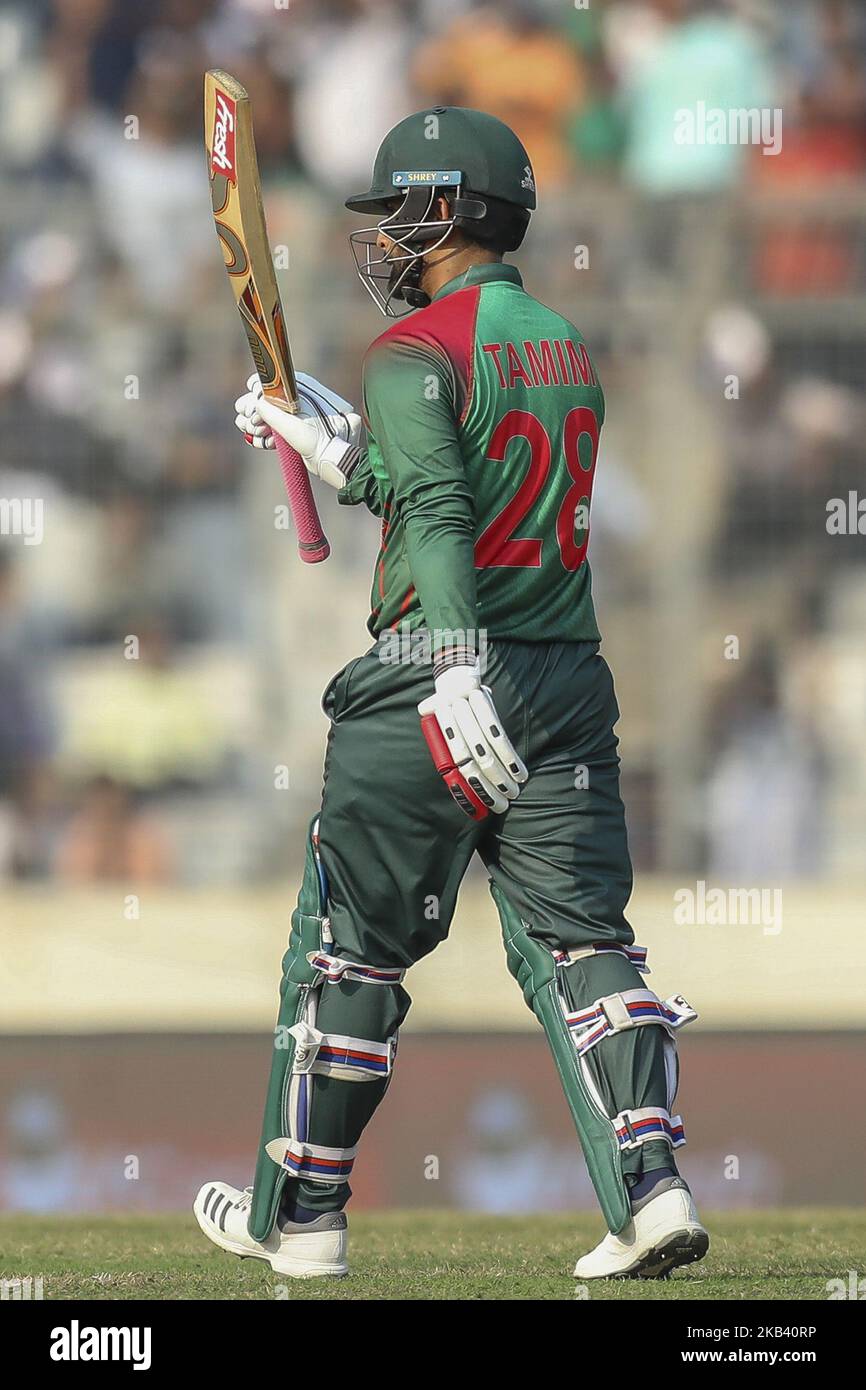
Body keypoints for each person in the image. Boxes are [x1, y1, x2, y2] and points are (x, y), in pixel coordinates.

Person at [194, 105, 707, 1282]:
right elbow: (438, 473)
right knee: (582, 946)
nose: (381, 238)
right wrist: (333, 441)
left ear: (445, 210)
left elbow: (435, 511)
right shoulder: (564, 344)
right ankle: (651, 1191)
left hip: (433, 673)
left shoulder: (414, 349)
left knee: (348, 949)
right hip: (567, 680)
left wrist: (454, 662)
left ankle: (300, 1218)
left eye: (395, 213)